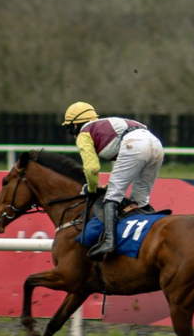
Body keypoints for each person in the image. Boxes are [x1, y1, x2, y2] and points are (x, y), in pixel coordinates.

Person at [61, 102, 165, 260]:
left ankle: (109, 242)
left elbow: (91, 169)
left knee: (112, 196)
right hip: (156, 144)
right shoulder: (108, 124)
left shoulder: (84, 133)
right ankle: (151, 234)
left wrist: (91, 188)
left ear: (75, 125)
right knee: (140, 199)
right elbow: (127, 170)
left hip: (135, 145)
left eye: (70, 128)